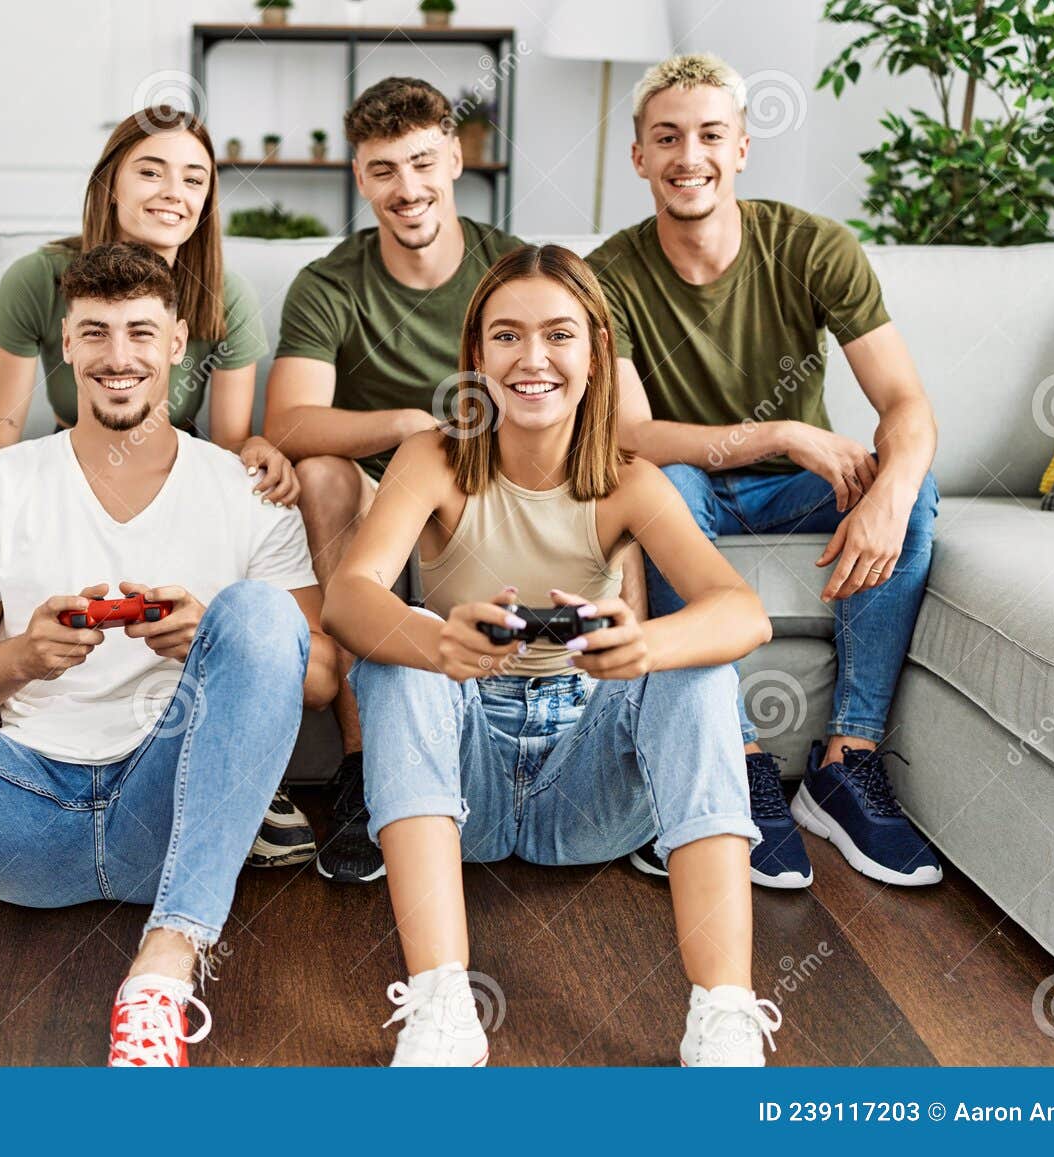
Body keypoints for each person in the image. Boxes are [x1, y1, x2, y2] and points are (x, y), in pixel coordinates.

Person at [0, 243, 336, 1068]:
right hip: (22, 812)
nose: (117, 357)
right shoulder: (2, 482)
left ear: (177, 343)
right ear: (66, 345)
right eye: (95, 333)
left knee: (260, 612)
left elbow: (322, 674)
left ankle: (164, 969)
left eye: (139, 332)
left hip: (169, 811)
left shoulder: (245, 490)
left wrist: (209, 639)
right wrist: (23, 656)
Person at [323, 244, 781, 1066]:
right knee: (397, 659)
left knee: (700, 664)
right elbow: (350, 596)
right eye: (507, 337)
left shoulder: (631, 479)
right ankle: (440, 1005)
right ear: (477, 356)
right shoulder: (433, 459)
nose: (532, 359)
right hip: (461, 780)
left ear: (597, 353)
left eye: (559, 335)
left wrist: (644, 644)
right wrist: (439, 639)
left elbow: (742, 612)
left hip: (588, 788)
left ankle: (725, 1014)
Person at [0, 105, 314, 869]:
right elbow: (3, 421)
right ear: (111, 184)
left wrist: (259, 456)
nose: (173, 192)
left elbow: (228, 441)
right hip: (71, 455)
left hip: (175, 456)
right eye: (151, 170)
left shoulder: (220, 296)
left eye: (193, 177)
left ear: (174, 339)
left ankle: (230, 778)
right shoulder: (43, 278)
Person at [585, 53, 942, 891]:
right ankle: (737, 756)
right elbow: (634, 433)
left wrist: (890, 491)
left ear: (742, 146)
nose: (689, 156)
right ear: (638, 156)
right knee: (657, 489)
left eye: (711, 134)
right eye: (666, 137)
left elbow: (906, 405)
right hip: (691, 480)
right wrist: (780, 428)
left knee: (911, 485)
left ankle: (845, 763)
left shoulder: (813, 247)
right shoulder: (608, 275)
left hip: (795, 490)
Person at [263, 77, 525, 884]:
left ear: (454, 157)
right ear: (359, 176)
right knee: (322, 475)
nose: (406, 190)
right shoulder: (330, 282)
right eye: (384, 170)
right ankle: (362, 765)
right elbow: (290, 425)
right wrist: (410, 424)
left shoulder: (510, 268)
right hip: (379, 488)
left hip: (480, 481)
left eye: (421, 162)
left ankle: (503, 761)